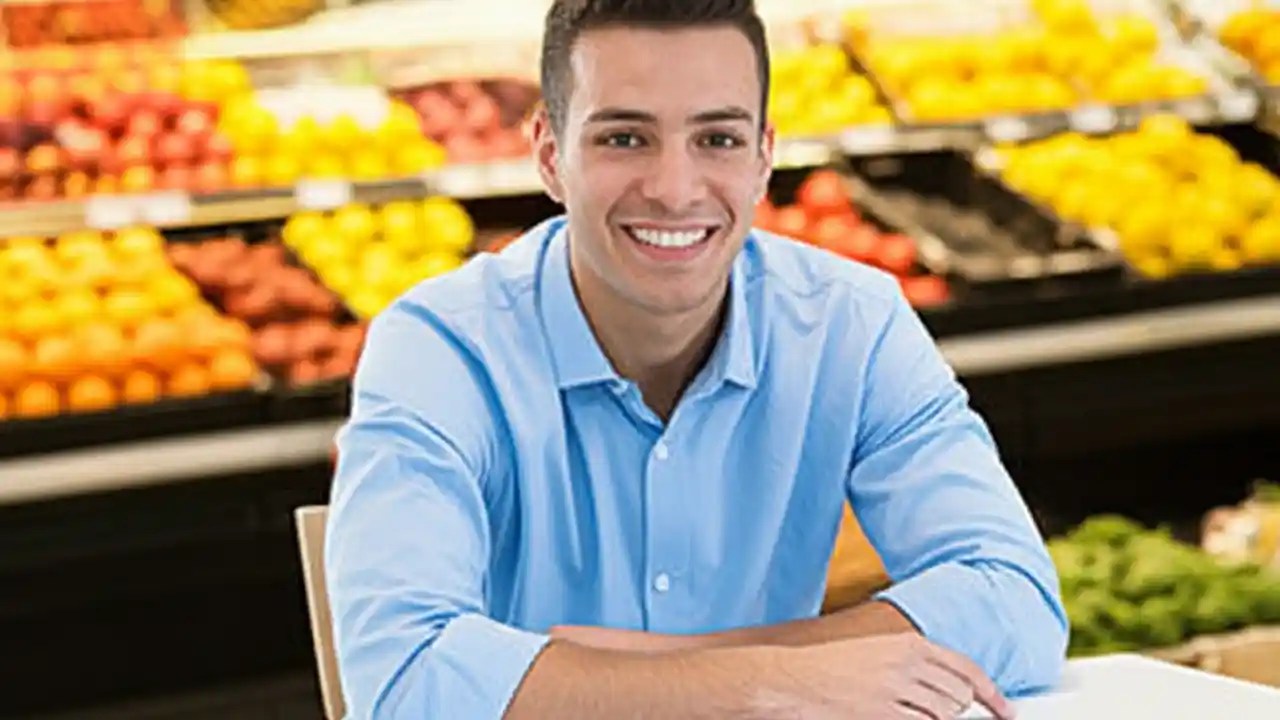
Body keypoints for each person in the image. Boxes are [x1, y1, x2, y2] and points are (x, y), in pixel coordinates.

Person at [325, 0, 1068, 717]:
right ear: (550, 156)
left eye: (717, 139)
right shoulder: (440, 349)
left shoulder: (852, 324)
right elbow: (403, 681)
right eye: (624, 138)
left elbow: (1016, 598)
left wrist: (683, 667)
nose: (674, 191)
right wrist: (777, 685)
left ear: (763, 157)